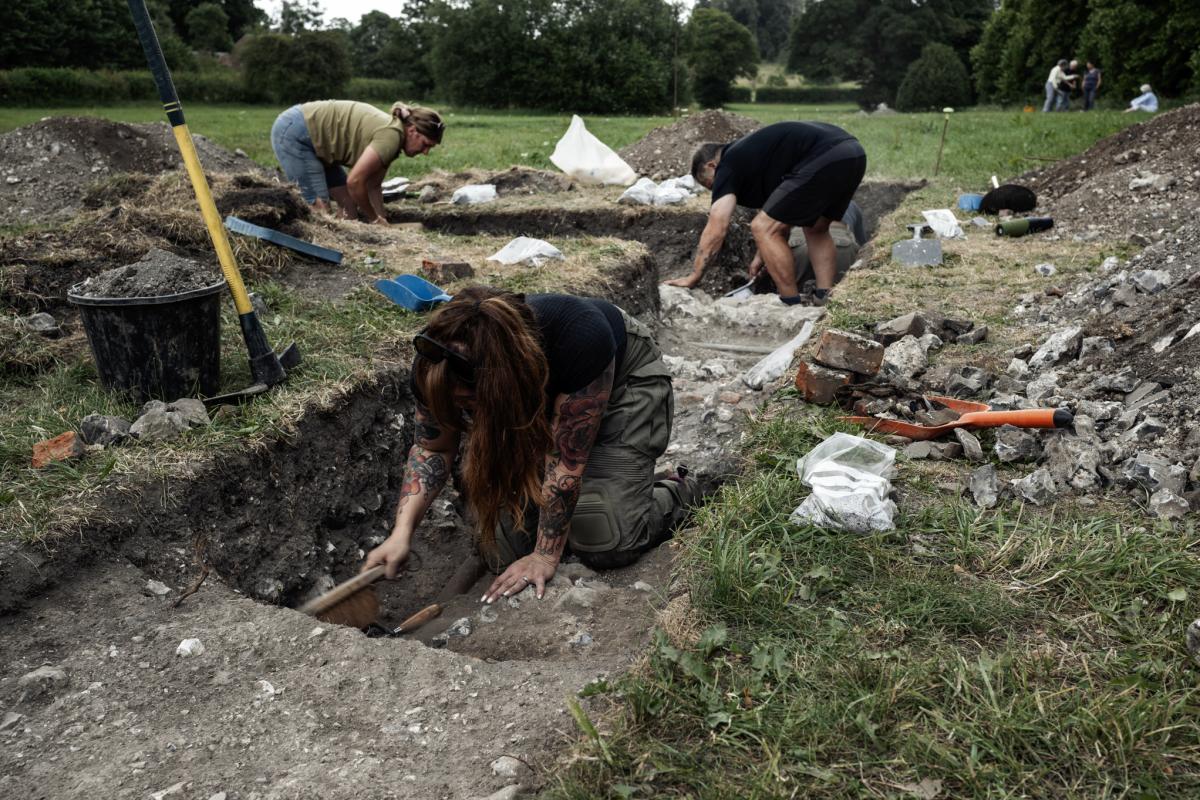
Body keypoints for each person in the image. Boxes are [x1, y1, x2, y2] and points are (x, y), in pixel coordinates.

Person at [361, 287, 696, 603]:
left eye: (470, 406)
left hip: (620, 382)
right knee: (501, 550)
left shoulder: (580, 339)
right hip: (538, 401)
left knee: (605, 539)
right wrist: (402, 533)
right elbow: (432, 449)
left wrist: (544, 555)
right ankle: (613, 489)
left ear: (499, 387)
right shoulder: (435, 365)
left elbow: (564, 465)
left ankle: (678, 488)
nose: (466, 416)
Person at [664, 121, 867, 305]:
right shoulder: (756, 158)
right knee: (816, 228)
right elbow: (781, 223)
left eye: (711, 185)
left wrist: (694, 276)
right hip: (853, 154)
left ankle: (791, 305)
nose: (717, 191)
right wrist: (762, 255)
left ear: (712, 166)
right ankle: (824, 297)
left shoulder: (728, 164)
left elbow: (717, 227)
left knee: (761, 227)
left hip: (825, 155)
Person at [271, 100, 444, 224]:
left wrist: (383, 224)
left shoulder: (394, 137)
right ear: (413, 131)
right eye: (425, 144)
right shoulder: (391, 136)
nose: (426, 152)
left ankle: (345, 247)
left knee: (349, 209)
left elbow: (373, 186)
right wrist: (374, 219)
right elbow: (354, 181)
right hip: (296, 132)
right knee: (321, 213)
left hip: (319, 144)